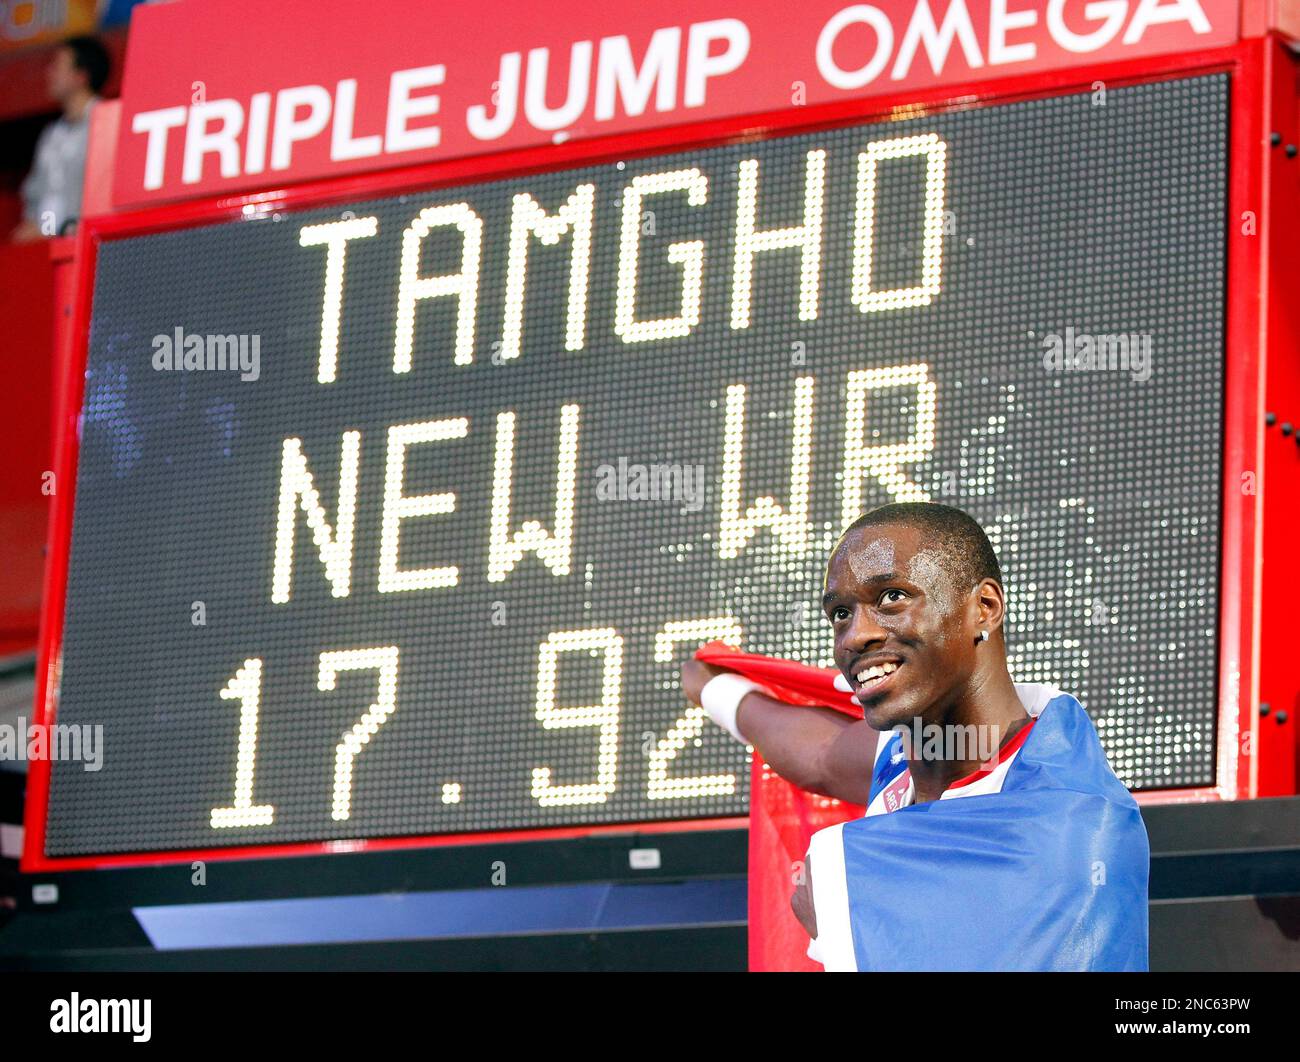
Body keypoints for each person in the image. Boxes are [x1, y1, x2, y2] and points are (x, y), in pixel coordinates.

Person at [681, 501, 1150, 971]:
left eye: (891, 597)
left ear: (983, 608)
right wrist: (712, 687)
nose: (854, 636)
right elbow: (818, 756)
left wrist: (837, 906)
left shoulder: (1071, 821)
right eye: (841, 612)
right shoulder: (923, 752)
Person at [11, 36, 110, 243]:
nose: (49, 72)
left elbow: (106, 198)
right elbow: (37, 198)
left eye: (57, 65)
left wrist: (63, 231)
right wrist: (42, 230)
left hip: (88, 245)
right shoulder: (51, 136)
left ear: (81, 76)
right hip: (43, 248)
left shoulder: (108, 124)